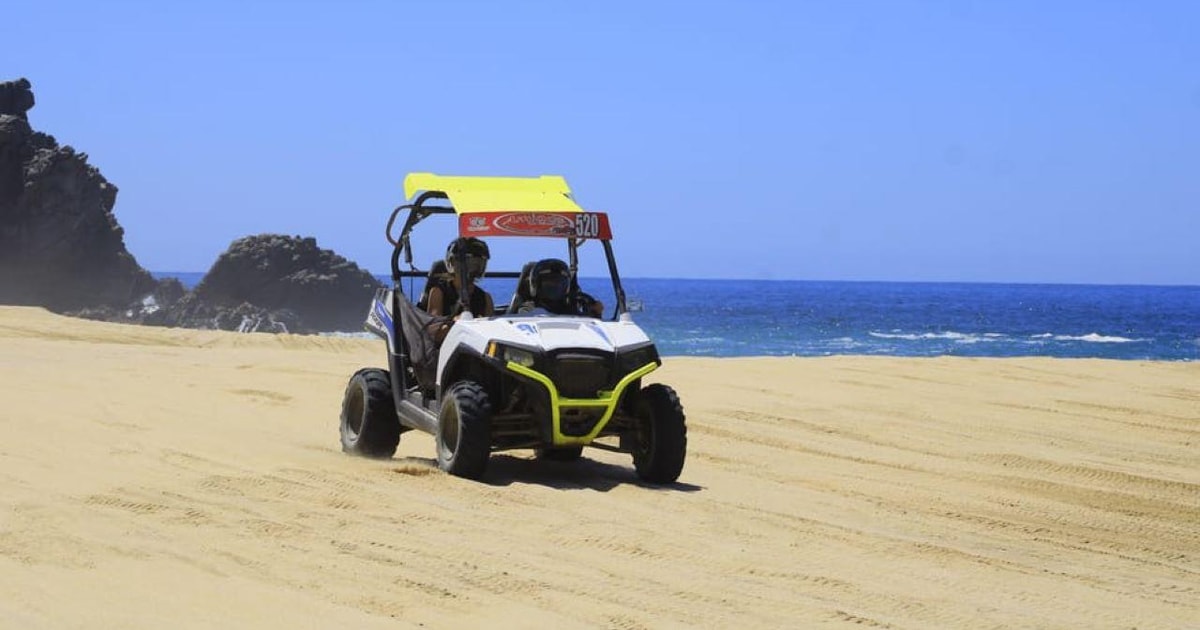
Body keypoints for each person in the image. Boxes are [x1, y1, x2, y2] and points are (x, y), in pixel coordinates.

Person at [426, 237, 494, 342]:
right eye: (470, 262)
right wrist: (455, 323)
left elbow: (491, 336)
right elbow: (433, 334)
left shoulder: (485, 298)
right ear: (453, 263)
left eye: (478, 263)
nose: (474, 267)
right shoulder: (438, 292)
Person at [517, 258, 604, 318]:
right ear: (536, 284)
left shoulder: (569, 310)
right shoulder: (528, 310)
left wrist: (596, 313)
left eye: (559, 282)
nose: (555, 286)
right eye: (549, 282)